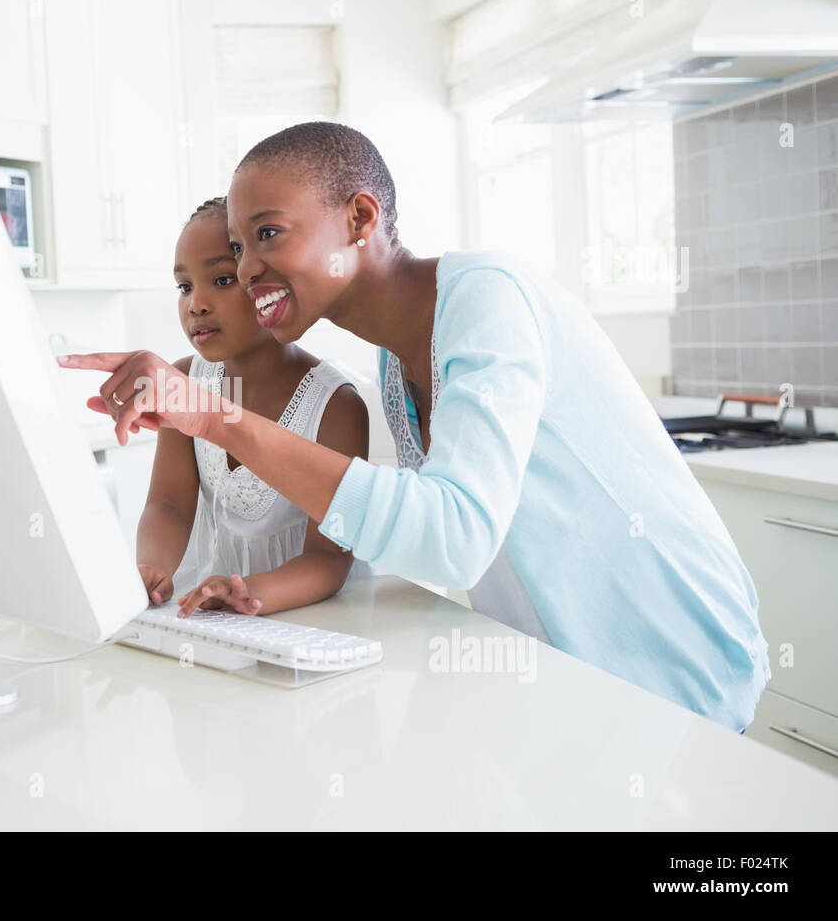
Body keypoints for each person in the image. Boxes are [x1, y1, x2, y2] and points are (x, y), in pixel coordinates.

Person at [60, 121, 769, 733]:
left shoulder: (489, 299)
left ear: (360, 219)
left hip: (674, 667)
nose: (246, 271)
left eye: (267, 234)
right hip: (568, 676)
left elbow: (454, 539)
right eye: (238, 248)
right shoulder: (397, 362)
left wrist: (215, 417)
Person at [129, 196, 372, 618]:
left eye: (222, 281)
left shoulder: (337, 406)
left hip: (317, 616)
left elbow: (330, 557)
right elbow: (167, 503)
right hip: (212, 613)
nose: (196, 304)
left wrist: (250, 593)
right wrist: (152, 567)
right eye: (185, 286)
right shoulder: (183, 382)